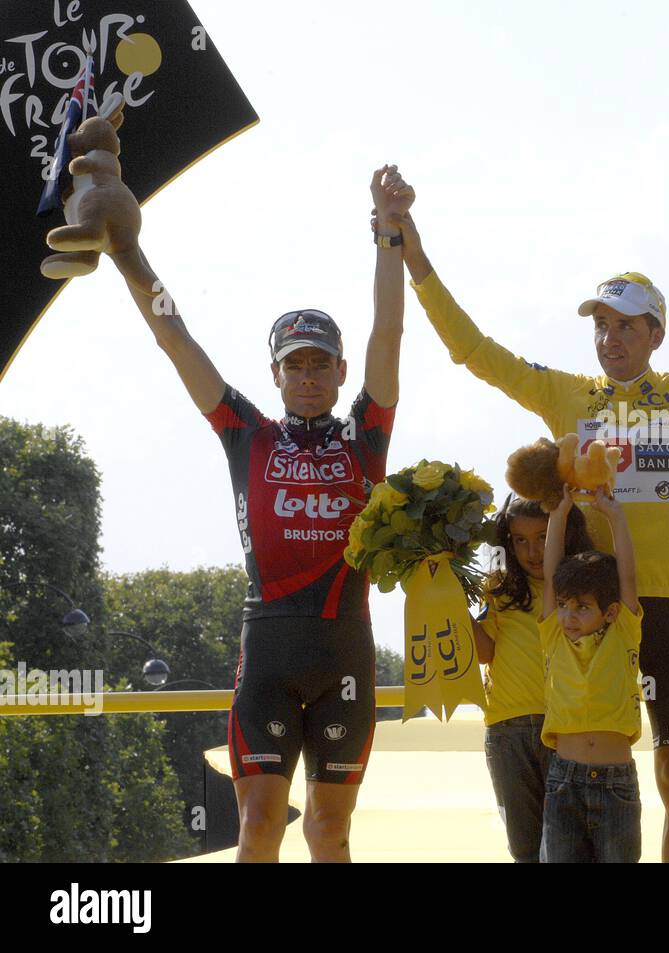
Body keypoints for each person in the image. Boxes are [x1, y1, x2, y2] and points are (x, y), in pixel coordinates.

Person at [392, 151, 669, 860]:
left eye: (626, 325)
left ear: (656, 333)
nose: (610, 338)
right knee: (576, 766)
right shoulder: (568, 395)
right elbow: (474, 351)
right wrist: (414, 255)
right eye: (601, 325)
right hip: (587, 611)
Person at [107, 165, 414, 862]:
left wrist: (389, 233)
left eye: (320, 364)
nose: (307, 377)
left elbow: (389, 335)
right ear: (274, 373)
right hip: (269, 650)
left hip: (345, 648)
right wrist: (130, 255)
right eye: (294, 365)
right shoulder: (247, 433)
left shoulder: (365, 435)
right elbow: (175, 338)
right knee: (260, 825)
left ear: (340, 372)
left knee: (329, 829)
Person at [471, 493, 593, 862]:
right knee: (525, 850)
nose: (533, 551)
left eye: (543, 537)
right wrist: (449, 598)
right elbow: (484, 652)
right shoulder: (498, 586)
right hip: (506, 730)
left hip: (566, 729)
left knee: (570, 849)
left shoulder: (583, 586)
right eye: (520, 540)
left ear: (564, 533)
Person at [538, 485, 643, 863]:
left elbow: (627, 577)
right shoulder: (554, 634)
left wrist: (615, 515)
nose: (569, 616)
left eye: (582, 607)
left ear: (610, 612)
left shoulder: (624, 631)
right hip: (563, 781)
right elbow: (551, 575)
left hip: (616, 783)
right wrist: (558, 515)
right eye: (564, 605)